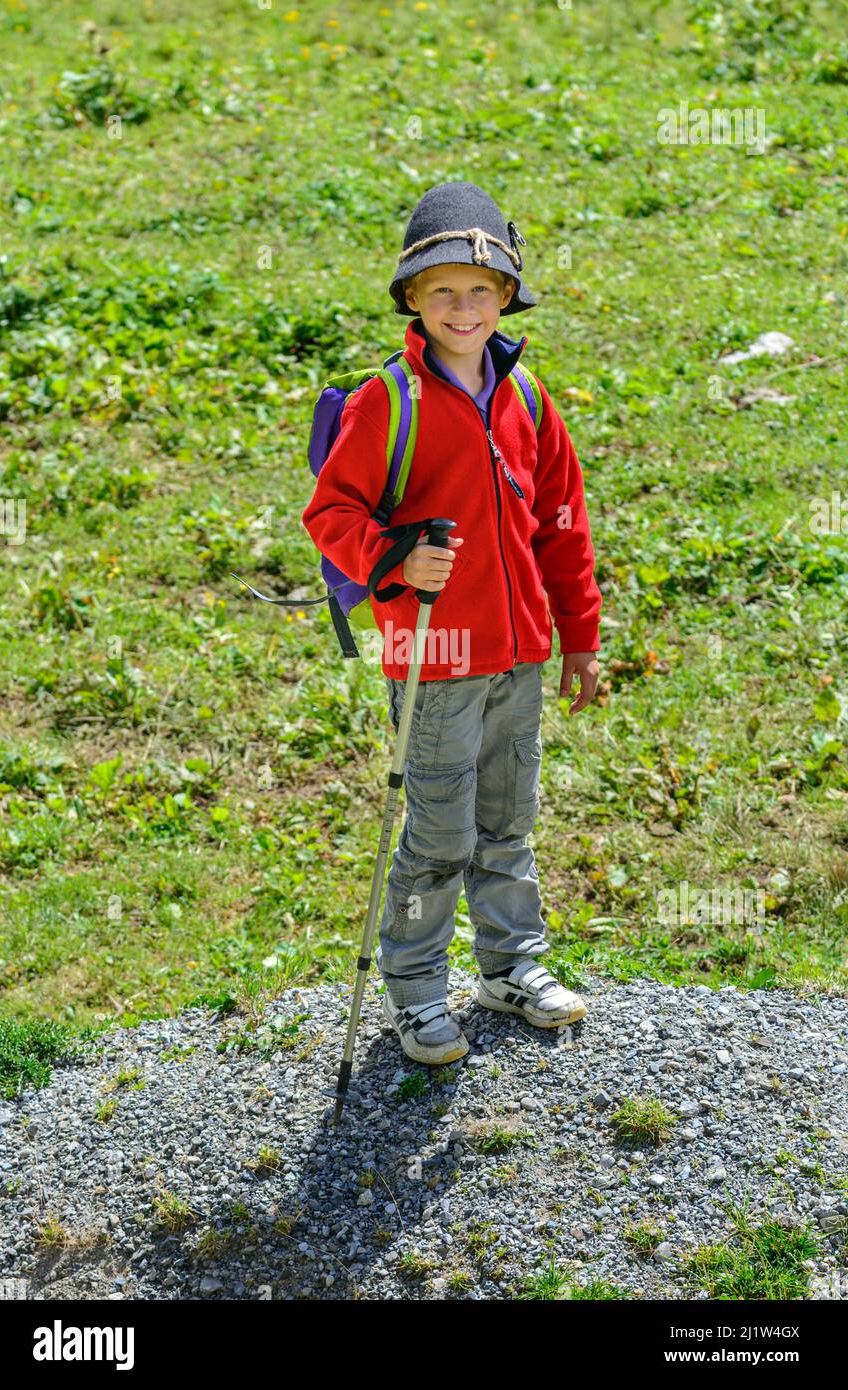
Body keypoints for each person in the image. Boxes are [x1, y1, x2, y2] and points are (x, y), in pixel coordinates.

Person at [302, 181, 601, 1065]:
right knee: (438, 834)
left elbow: (562, 523)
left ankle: (511, 968)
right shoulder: (386, 403)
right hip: (432, 652)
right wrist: (393, 558)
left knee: (508, 822)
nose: (462, 307)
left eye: (479, 289)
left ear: (507, 295)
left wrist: (579, 634)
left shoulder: (529, 399)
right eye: (442, 292)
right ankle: (418, 992)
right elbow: (332, 515)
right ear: (411, 302)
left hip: (519, 655)